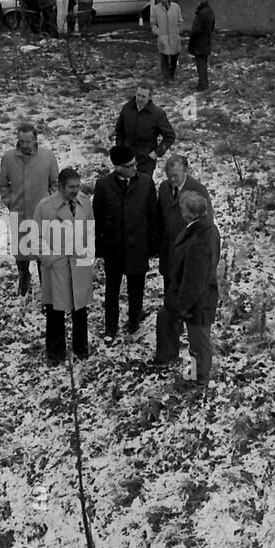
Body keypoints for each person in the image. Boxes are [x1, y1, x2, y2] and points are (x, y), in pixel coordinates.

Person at [153, 190, 220, 391]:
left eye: (182, 209)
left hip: (197, 301)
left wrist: (183, 305)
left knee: (199, 343)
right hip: (192, 297)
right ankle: (189, 373)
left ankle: (200, 379)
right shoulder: (202, 229)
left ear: (189, 214)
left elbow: (195, 280)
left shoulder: (201, 238)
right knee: (190, 338)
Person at [94, 145, 160, 342]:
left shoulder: (146, 183)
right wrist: (99, 246)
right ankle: (110, 328)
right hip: (113, 248)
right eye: (130, 165)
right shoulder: (104, 186)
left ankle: (134, 322)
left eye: (135, 163)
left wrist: (153, 245)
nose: (135, 167)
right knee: (112, 290)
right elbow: (97, 217)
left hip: (137, 246)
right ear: (118, 167)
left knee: (136, 288)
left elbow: (153, 215)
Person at [34, 167, 94, 366]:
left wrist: (87, 254)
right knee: (55, 310)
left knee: (80, 308)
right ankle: (55, 352)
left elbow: (90, 229)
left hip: (78, 262)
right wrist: (48, 259)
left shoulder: (85, 203)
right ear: (60, 186)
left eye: (77, 186)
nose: (75, 190)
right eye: (71, 187)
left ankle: (81, 348)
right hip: (57, 265)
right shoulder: (45, 207)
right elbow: (35, 237)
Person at [0, 125, 59, 296]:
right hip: (19, 212)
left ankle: (46, 286)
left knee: (42, 252)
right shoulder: (9, 158)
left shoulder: (47, 156)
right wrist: (10, 201)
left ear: (35, 140)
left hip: (42, 214)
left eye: (28, 141)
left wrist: (49, 203)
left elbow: (55, 183)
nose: (25, 145)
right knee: (21, 252)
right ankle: (24, 278)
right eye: (22, 141)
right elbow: (3, 185)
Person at [157, 154, 211, 291]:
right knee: (169, 292)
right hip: (168, 251)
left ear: (185, 171)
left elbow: (206, 224)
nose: (172, 179)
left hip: (188, 253)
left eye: (176, 175)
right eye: (169, 176)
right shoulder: (164, 188)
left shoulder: (198, 190)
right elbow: (159, 216)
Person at [113, 78, 176, 176]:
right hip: (127, 159)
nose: (139, 99)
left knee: (143, 188)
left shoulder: (157, 114)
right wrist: (120, 148)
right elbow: (119, 130)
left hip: (146, 160)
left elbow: (170, 136)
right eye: (138, 95)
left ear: (150, 97)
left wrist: (156, 153)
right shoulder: (127, 108)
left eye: (143, 96)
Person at [150, 0, 183, 84]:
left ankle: (171, 74)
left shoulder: (176, 7)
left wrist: (179, 29)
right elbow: (153, 23)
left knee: (174, 58)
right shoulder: (156, 9)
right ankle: (165, 78)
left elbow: (180, 20)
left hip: (174, 36)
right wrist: (157, 32)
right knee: (163, 58)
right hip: (163, 37)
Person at [188, 0, 216, 90]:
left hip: (199, 42)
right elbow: (212, 27)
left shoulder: (201, 13)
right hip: (206, 41)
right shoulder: (210, 12)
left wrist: (192, 37)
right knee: (203, 63)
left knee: (201, 65)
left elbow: (196, 29)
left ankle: (203, 85)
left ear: (200, 2)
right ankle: (204, 83)